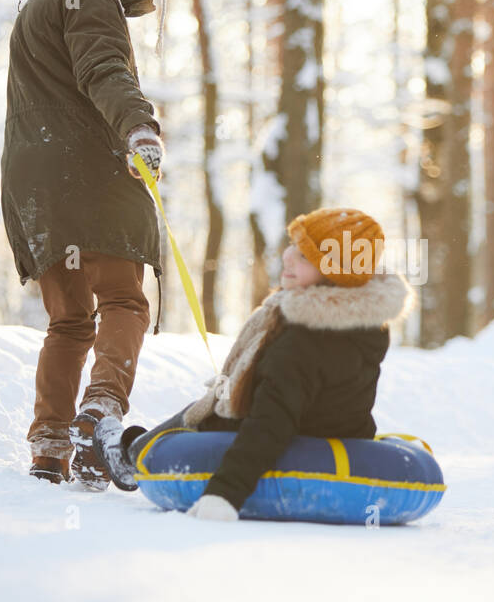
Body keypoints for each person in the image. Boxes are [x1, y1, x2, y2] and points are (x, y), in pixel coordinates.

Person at [87, 208, 416, 520]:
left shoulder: (302, 341)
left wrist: (225, 494)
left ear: (335, 273)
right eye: (292, 246)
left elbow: (271, 422)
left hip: (272, 432)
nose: (287, 256)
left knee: (204, 414)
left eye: (304, 255)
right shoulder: (367, 327)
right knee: (207, 404)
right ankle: (130, 447)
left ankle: (128, 457)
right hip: (331, 430)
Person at [1, 0, 171, 486]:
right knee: (124, 300)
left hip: (34, 186)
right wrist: (138, 127)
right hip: (88, 172)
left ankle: (50, 447)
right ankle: (100, 414)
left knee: (69, 321)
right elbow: (104, 69)